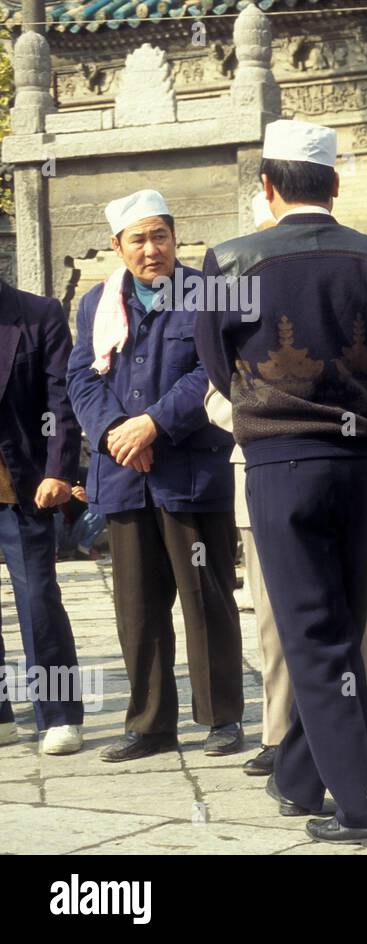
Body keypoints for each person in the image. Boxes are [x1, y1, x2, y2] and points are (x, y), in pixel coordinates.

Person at [195, 119, 367, 848]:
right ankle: (301, 775)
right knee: (337, 627)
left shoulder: (233, 261)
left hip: (281, 462)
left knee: (315, 636)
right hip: (364, 466)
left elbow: (214, 365)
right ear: (335, 183)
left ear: (266, 186)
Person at [66, 189, 243, 764]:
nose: (151, 249)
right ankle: (149, 724)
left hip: (191, 473)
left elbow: (213, 373)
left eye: (160, 236)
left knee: (205, 598)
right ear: (117, 246)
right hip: (124, 477)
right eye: (138, 239)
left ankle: (221, 718)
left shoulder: (209, 294)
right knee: (137, 608)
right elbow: (81, 379)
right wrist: (120, 429)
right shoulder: (98, 304)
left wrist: (154, 425)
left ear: (175, 238)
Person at [0, 276, 85, 755]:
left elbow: (62, 400)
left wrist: (57, 471)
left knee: (37, 597)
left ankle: (59, 715)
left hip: (22, 483)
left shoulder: (38, 314)